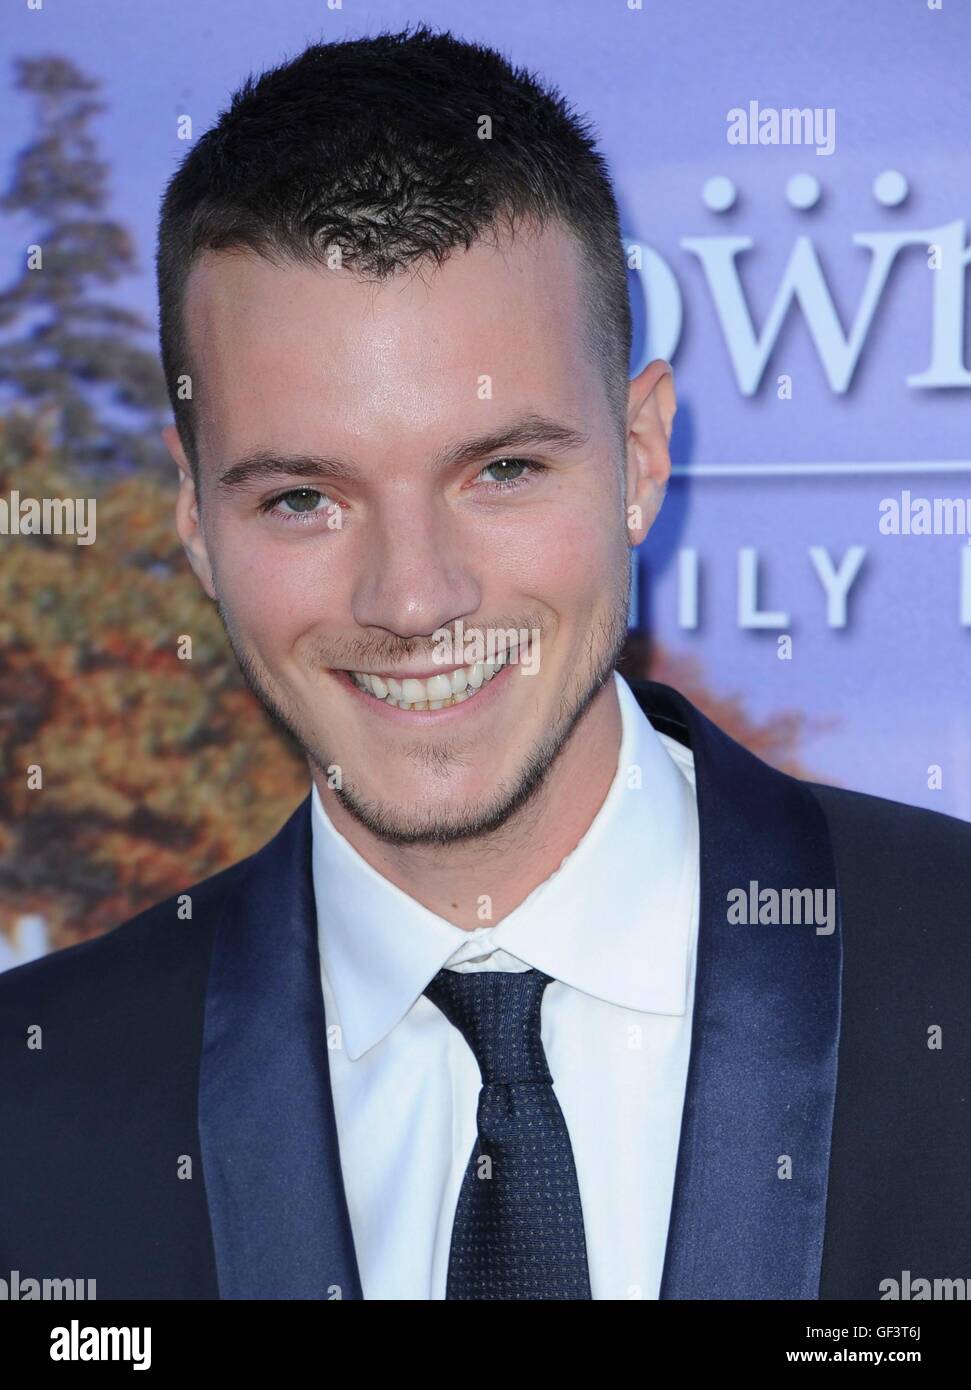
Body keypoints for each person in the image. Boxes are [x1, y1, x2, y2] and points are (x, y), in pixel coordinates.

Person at [1, 24, 969, 1302]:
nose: (413, 597)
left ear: (638, 456)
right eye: (302, 496)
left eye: (500, 470)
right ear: (194, 520)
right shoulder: (37, 1105)